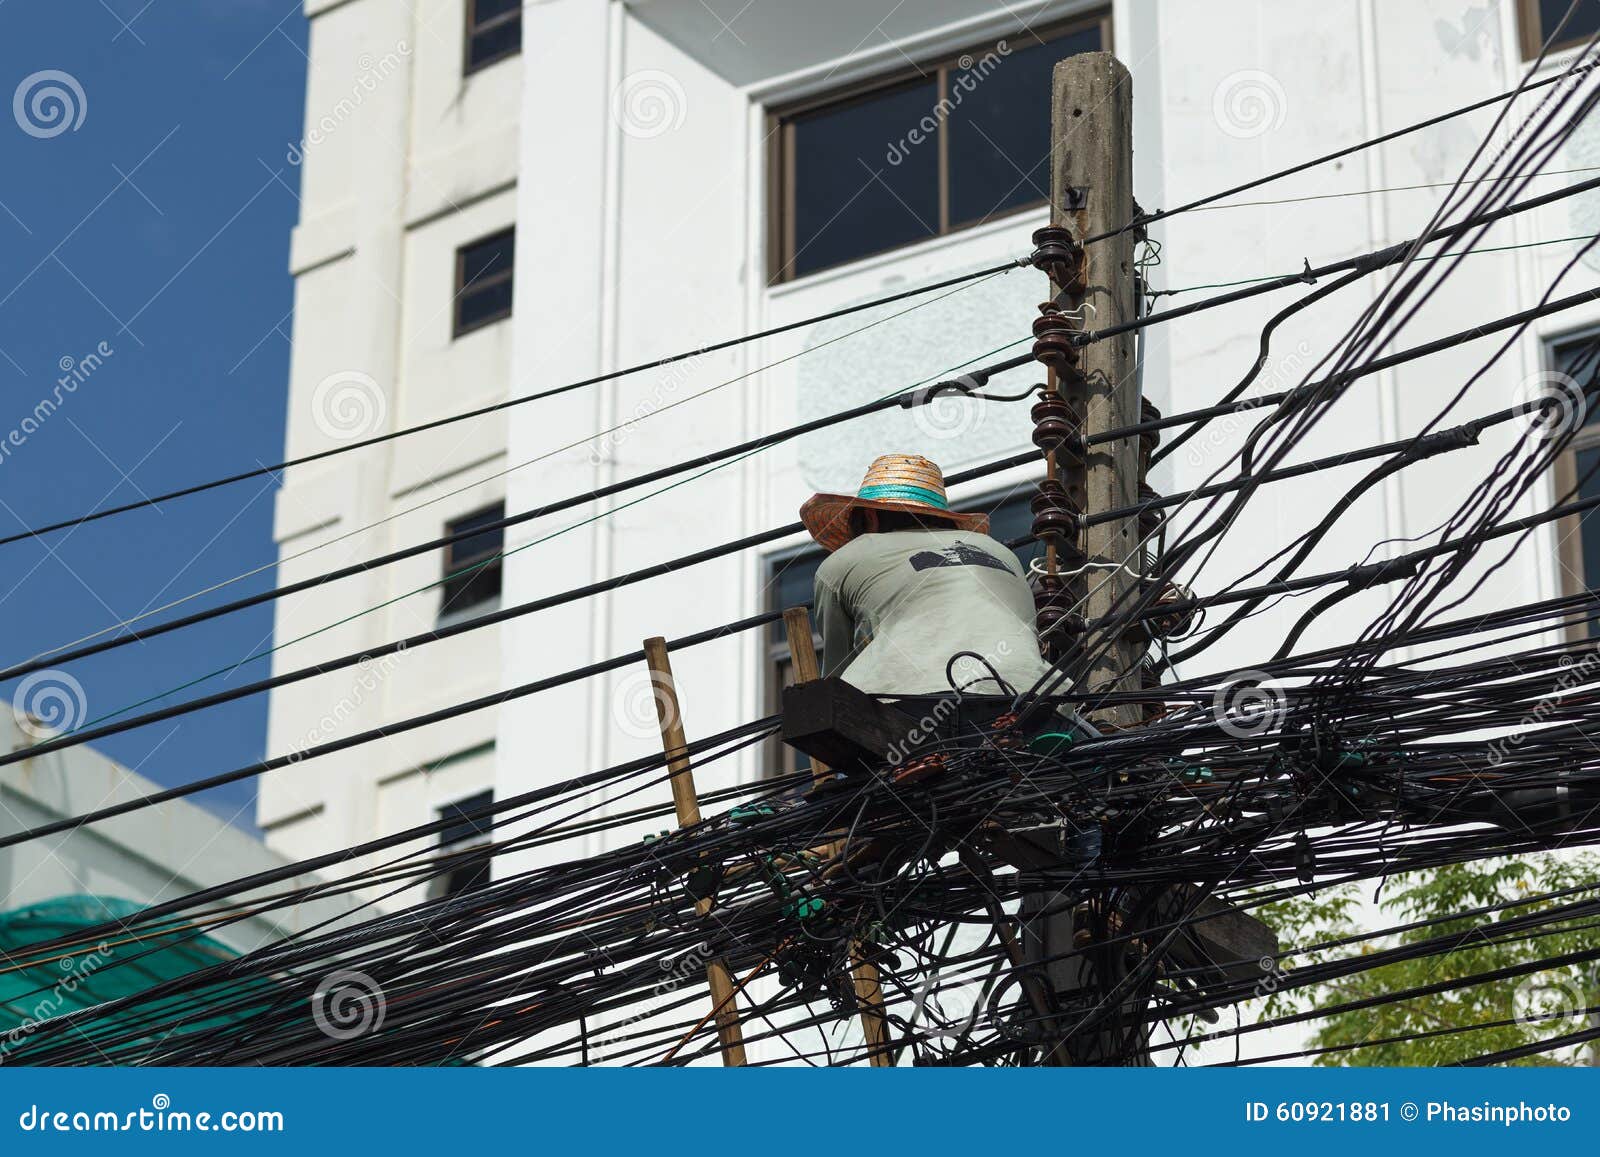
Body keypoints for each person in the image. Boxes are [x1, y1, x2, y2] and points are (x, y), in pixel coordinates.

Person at [800, 454, 1055, 735]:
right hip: (1033, 699)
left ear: (870, 517)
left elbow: (839, 680)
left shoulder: (844, 560)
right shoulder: (999, 552)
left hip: (912, 707)